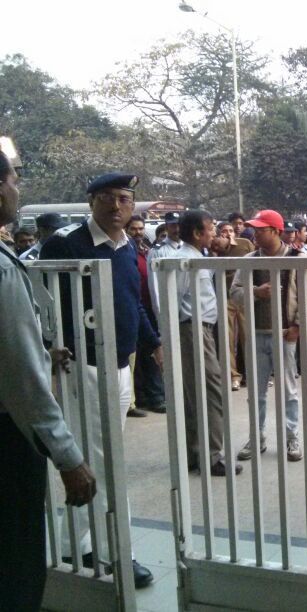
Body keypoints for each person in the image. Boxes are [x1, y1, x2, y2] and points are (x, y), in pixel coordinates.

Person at [40, 171, 159, 589]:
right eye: (106, 198)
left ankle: (74, 542)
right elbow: (37, 295)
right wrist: (49, 344)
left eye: (123, 199)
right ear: (91, 202)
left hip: (121, 366)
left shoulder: (127, 247)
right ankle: (116, 551)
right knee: (105, 460)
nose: (116, 206)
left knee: (98, 456)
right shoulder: (66, 244)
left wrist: (154, 342)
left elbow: (133, 304)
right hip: (85, 367)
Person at [0, 150, 97, 612]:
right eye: (15, 178)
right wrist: (68, 457)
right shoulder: (1, 267)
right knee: (16, 562)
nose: (18, 188)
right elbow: (23, 380)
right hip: (7, 438)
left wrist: (40, 349)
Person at [156, 210, 242, 477]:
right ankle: (212, 456)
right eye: (211, 229)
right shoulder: (184, 261)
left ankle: (196, 452)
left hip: (199, 330)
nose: (214, 233)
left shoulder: (197, 258)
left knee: (197, 393)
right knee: (210, 391)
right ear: (196, 233)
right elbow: (173, 299)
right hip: (191, 330)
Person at [230, 210, 307, 462]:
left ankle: (292, 436)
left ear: (276, 232)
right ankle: (256, 436)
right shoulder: (249, 260)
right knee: (256, 392)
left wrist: (299, 326)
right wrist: (256, 292)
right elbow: (234, 293)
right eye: (255, 230)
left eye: (261, 230)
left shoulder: (297, 259)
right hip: (256, 334)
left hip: (285, 333)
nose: (255, 234)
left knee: (289, 391)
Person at [126, 215, 165, 416]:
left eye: (141, 228)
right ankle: (137, 400)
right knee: (136, 357)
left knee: (150, 354)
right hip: (132, 309)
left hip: (148, 309)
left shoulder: (147, 251)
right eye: (133, 229)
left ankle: (155, 397)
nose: (138, 232)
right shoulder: (124, 250)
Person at [213, 221, 254, 391]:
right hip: (225, 297)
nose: (229, 233)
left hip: (244, 296)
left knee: (249, 336)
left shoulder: (245, 244)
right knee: (227, 339)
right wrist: (217, 251)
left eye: (231, 230)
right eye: (224, 231)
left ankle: (252, 374)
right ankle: (232, 376)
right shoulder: (215, 249)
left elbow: (256, 262)